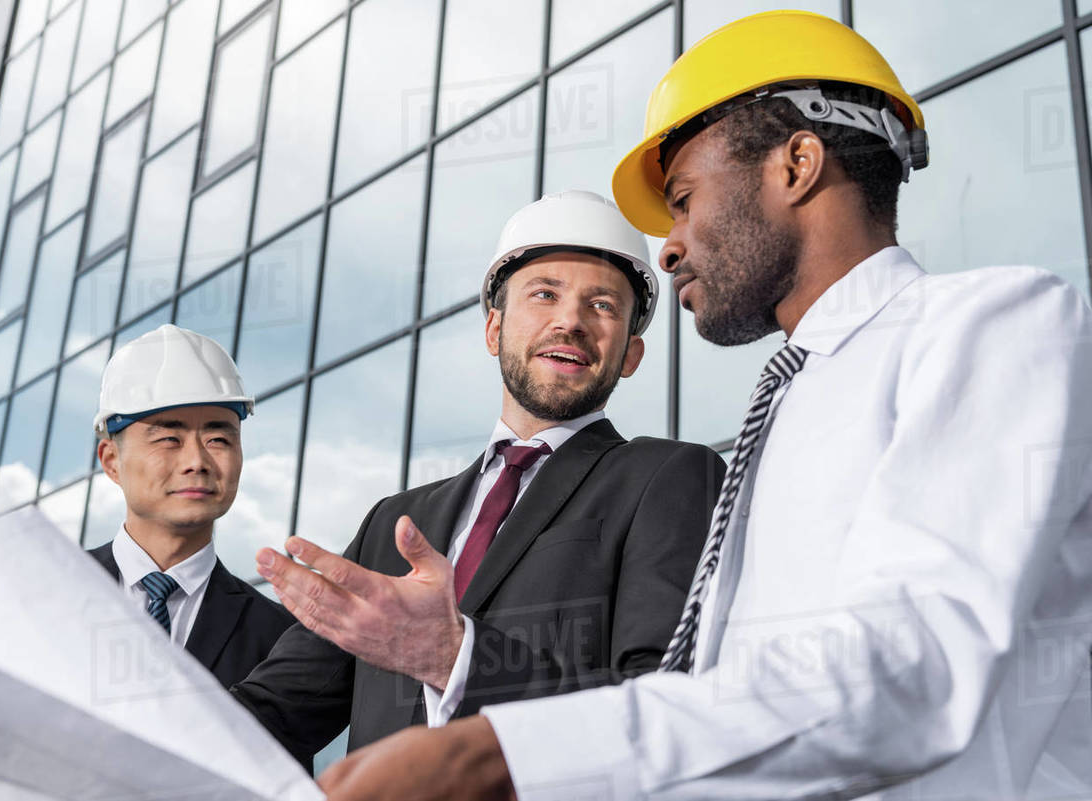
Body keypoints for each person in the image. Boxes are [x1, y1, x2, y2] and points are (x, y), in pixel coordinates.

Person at [315, 11, 1092, 800]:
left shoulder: (992, 323)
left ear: (796, 164)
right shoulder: (785, 411)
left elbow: (911, 663)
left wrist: (502, 752)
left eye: (683, 200)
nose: (669, 246)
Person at [231, 190, 726, 771]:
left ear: (630, 355)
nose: (571, 321)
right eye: (545, 294)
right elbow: (270, 713)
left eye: (603, 306)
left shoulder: (668, 477)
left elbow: (664, 706)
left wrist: (456, 657)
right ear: (494, 330)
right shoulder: (396, 521)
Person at [88, 324, 293, 688]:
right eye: (169, 438)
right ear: (111, 461)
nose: (196, 461)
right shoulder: (48, 593)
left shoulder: (279, 638)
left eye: (218, 439)